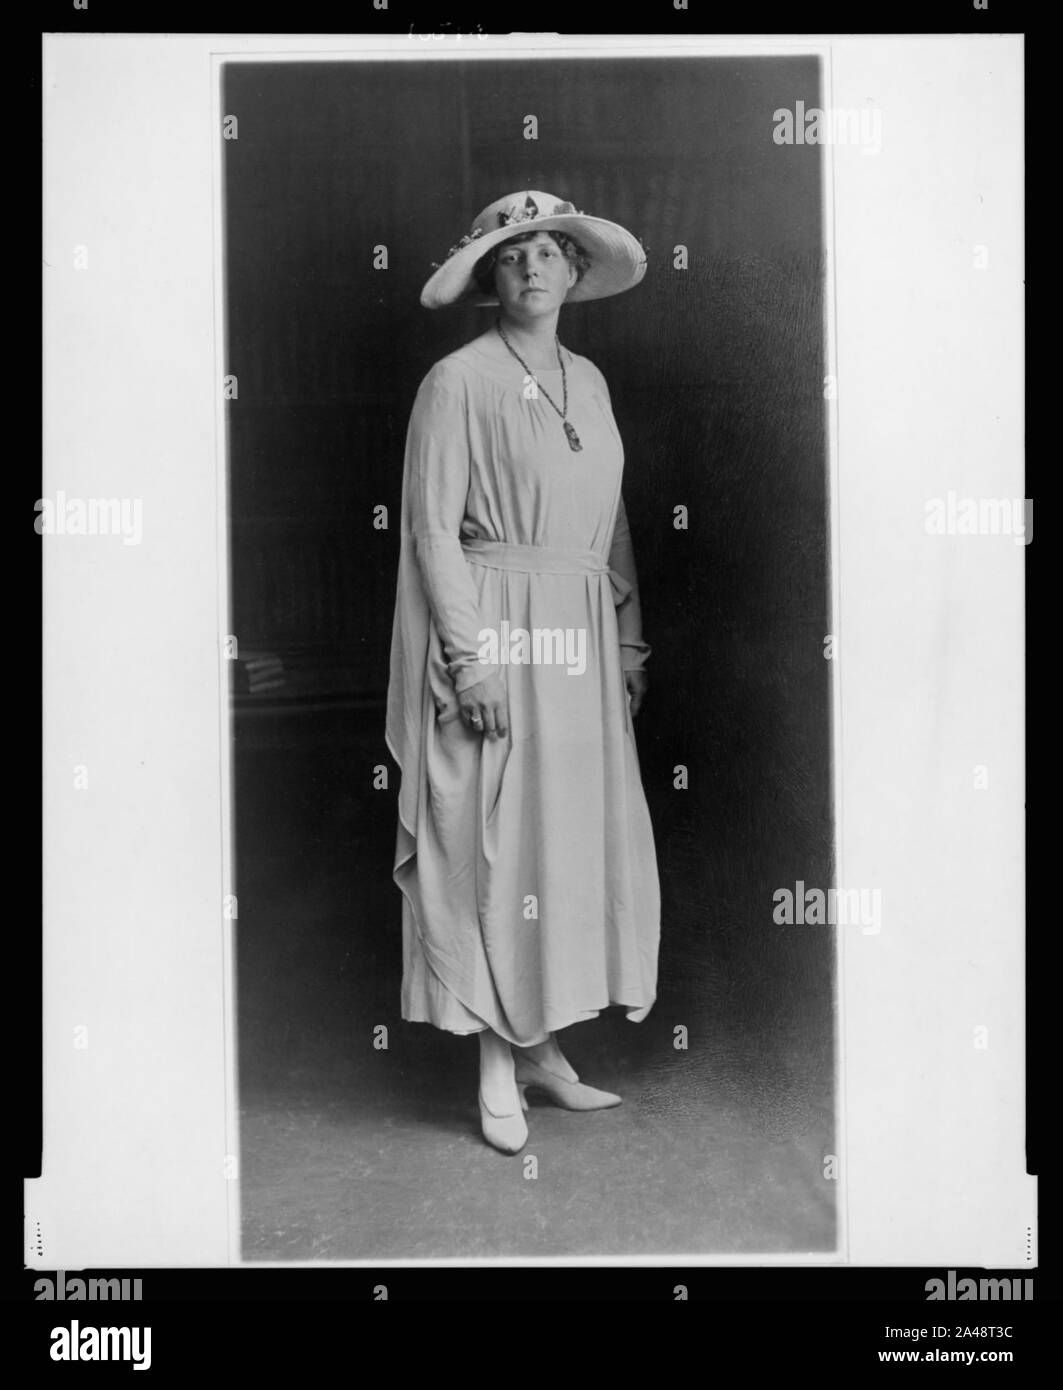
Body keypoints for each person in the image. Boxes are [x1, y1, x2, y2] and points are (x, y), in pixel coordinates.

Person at [386, 190, 660, 1155]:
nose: (534, 268)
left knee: (561, 847)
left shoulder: (590, 378)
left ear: (575, 272)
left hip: (579, 637)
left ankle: (541, 1049)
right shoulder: (456, 381)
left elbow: (613, 519)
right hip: (498, 628)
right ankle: (493, 1060)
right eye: (513, 257)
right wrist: (472, 660)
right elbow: (431, 531)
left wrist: (625, 642)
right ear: (490, 278)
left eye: (550, 252)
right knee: (489, 841)